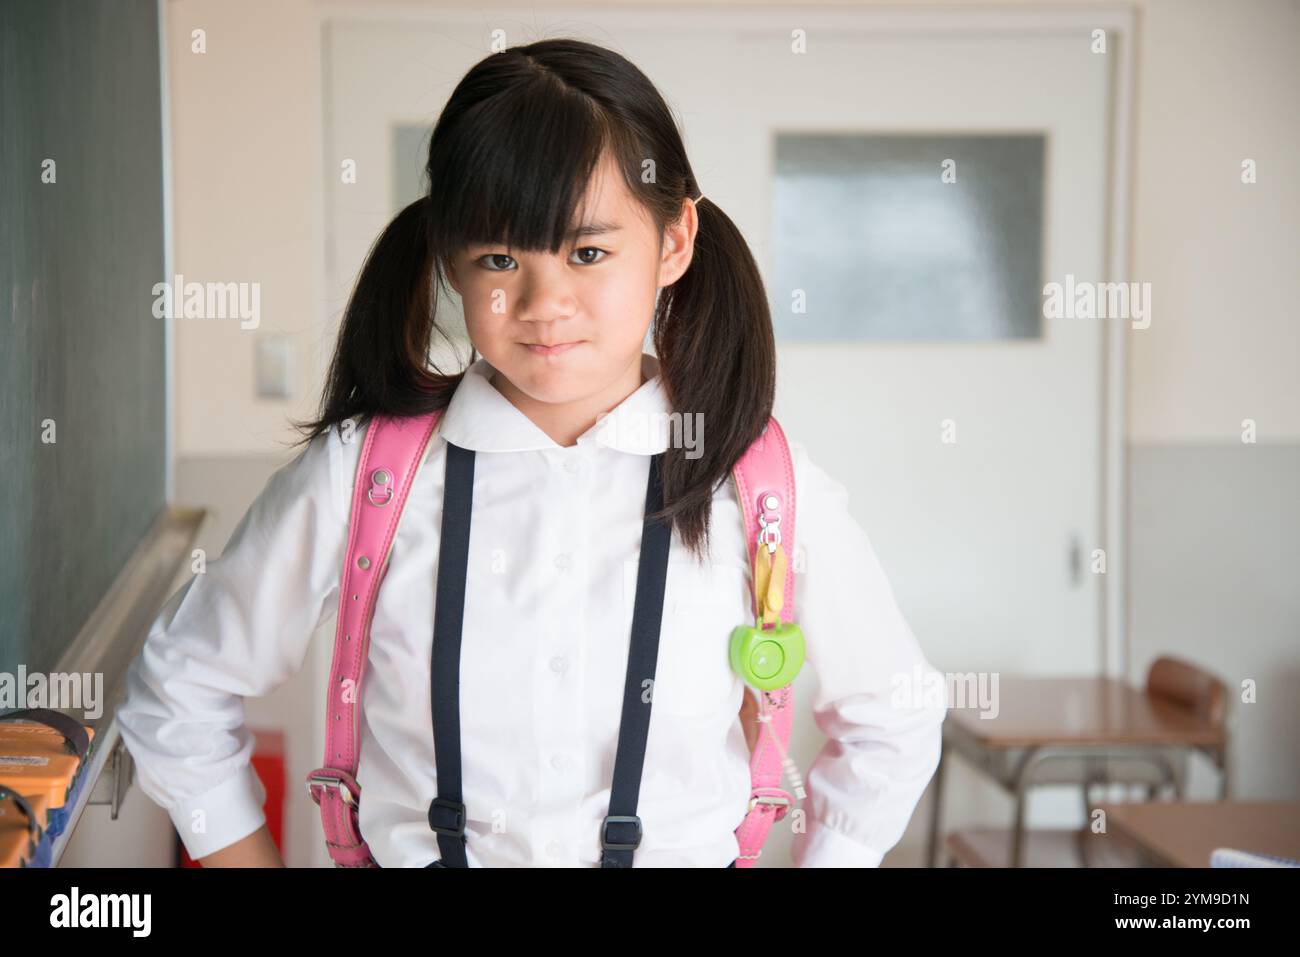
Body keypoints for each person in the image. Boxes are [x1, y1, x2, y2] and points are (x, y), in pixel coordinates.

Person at [117, 37, 947, 868]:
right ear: (451, 259)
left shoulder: (756, 482)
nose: (546, 303)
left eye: (589, 252)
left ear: (674, 242)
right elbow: (178, 690)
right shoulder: (366, 476)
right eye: (500, 258)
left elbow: (895, 715)